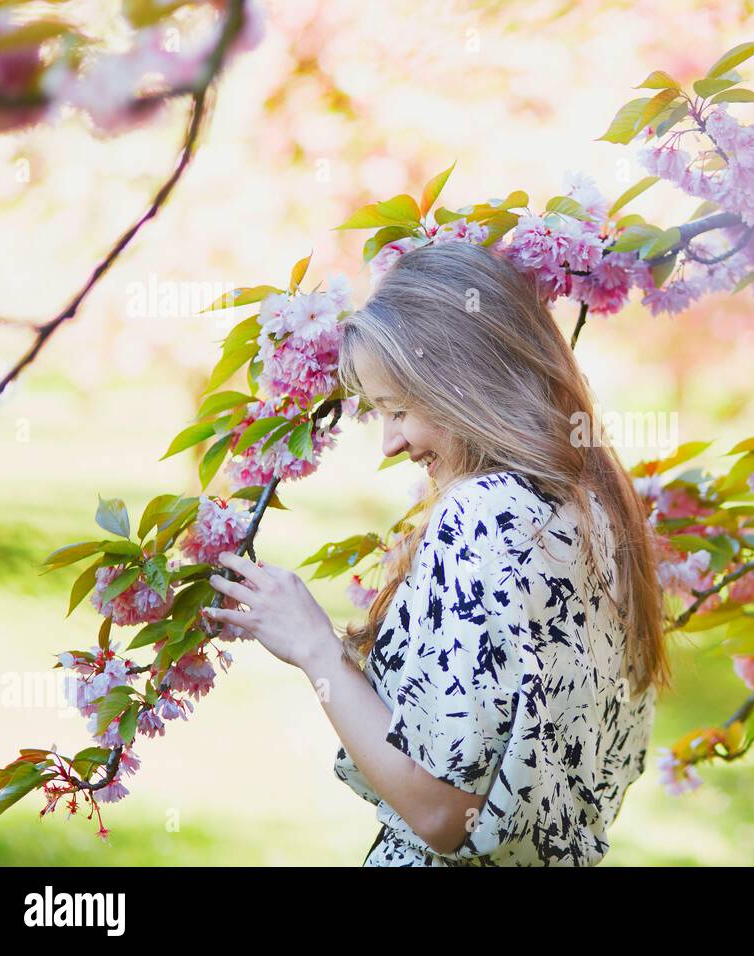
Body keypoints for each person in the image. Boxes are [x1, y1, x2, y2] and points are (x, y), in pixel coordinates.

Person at [206, 240, 666, 866]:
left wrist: (313, 648)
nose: (391, 442)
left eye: (398, 409)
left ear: (460, 385)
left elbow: (443, 812)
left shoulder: (482, 513)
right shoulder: (600, 506)